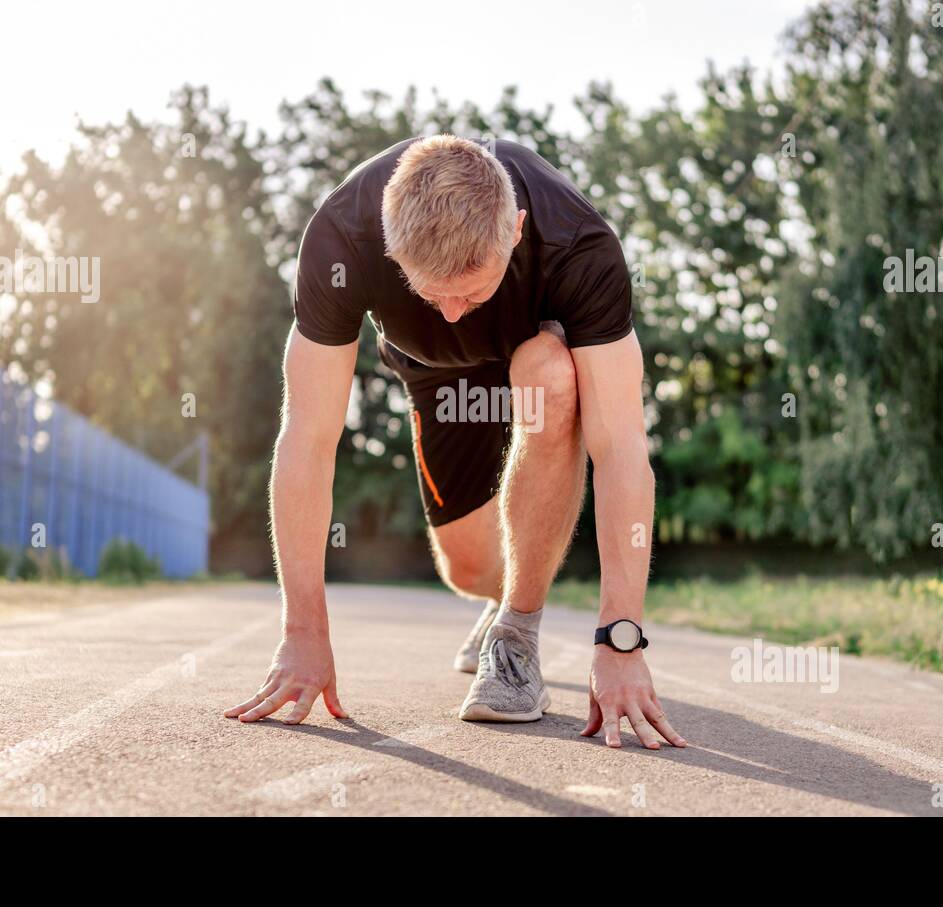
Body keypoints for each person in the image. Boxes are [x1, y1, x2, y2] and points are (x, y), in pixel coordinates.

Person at [224, 135, 685, 749]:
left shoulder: (578, 245)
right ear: (389, 245)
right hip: (434, 375)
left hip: (533, 350)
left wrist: (620, 640)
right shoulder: (342, 233)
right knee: (467, 567)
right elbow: (308, 437)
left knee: (553, 380)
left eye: (469, 290)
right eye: (429, 291)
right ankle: (500, 601)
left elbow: (622, 445)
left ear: (517, 231)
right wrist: (303, 630)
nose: (449, 313)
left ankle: (516, 639)